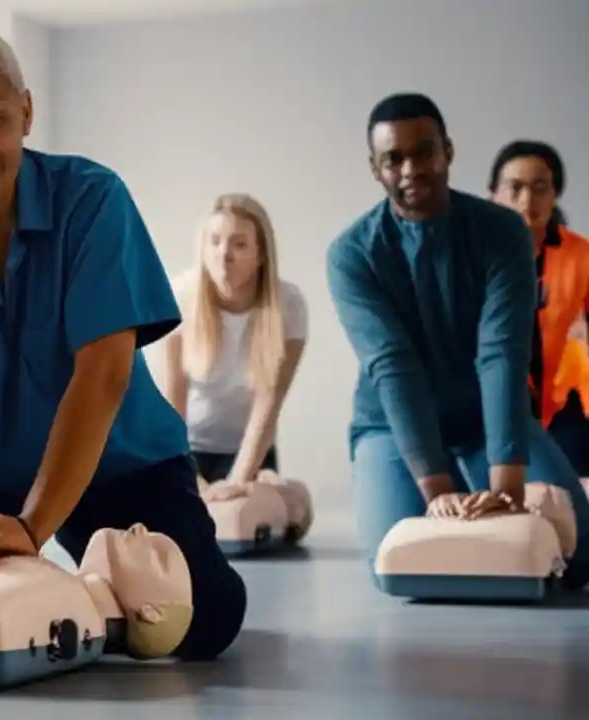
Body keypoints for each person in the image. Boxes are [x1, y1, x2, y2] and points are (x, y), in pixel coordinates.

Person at [0, 22, 246, 661]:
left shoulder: (93, 200)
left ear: (26, 112)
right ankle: (72, 594)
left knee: (202, 622)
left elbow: (104, 375)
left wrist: (30, 530)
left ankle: (90, 594)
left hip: (117, 466)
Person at [325, 92, 589, 589]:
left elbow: (502, 350)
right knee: (402, 564)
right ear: (374, 168)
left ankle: (498, 482)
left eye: (423, 151)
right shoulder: (351, 255)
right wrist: (437, 490)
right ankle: (459, 484)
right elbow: (392, 365)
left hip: (487, 421)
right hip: (390, 427)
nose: (410, 169)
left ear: (447, 149)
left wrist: (508, 485)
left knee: (580, 557)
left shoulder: (502, 231)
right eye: (393, 159)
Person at [148, 193, 308, 491]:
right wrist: (186, 476)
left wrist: (237, 483)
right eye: (215, 241)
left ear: (261, 254)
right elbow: (172, 406)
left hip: (251, 454)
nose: (224, 254)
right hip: (187, 451)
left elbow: (268, 406)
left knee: (262, 510)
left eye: (239, 243)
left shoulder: (289, 305)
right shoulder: (178, 297)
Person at [486, 140, 589, 476]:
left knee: (568, 495)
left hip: (563, 405)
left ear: (555, 194)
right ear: (493, 194)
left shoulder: (581, 256)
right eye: (514, 188)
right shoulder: (474, 257)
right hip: (493, 402)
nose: (527, 200)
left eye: (539, 187)